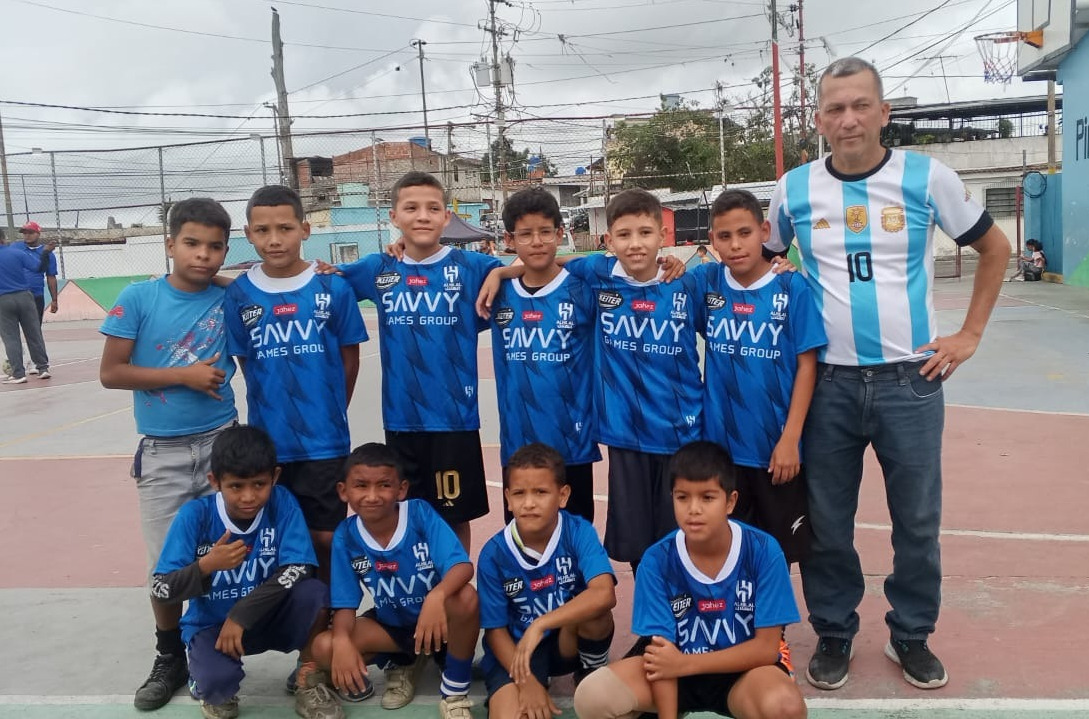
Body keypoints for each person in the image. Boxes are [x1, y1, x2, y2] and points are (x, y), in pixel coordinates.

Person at [766, 57, 1010, 690]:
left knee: (917, 521)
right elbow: (757, 265)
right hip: (828, 386)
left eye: (860, 105)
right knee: (827, 522)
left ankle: (911, 634)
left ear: (884, 112)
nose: (847, 119)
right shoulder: (792, 190)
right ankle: (835, 633)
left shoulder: (928, 178)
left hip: (912, 380)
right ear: (817, 119)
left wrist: (970, 334)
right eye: (834, 108)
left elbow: (994, 248)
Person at [99, 197, 238, 710]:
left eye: (215, 247)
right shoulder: (138, 298)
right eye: (192, 244)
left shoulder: (227, 297)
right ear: (169, 244)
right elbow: (111, 373)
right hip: (163, 450)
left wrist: (232, 282)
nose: (203, 255)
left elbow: (257, 286)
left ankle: (217, 646)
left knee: (229, 550)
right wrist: (183, 374)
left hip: (224, 440)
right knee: (168, 566)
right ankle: (169, 654)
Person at [572, 441, 806, 719]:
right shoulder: (657, 560)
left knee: (785, 707)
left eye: (707, 497)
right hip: (674, 672)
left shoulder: (763, 551)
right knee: (593, 696)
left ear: (730, 501)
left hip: (744, 673)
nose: (694, 509)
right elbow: (662, 655)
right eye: (683, 497)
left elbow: (766, 649)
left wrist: (686, 663)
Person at [336, 171, 502, 549]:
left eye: (432, 208)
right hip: (401, 419)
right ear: (394, 217)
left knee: (454, 515)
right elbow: (322, 279)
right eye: (411, 208)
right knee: (403, 513)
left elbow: (539, 267)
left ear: (446, 216)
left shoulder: (471, 268)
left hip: (454, 420)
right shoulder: (380, 268)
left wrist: (503, 271)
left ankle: (456, 588)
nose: (422, 216)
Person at [223, 184, 369, 583]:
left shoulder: (332, 287)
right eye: (263, 230)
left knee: (326, 538)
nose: (274, 240)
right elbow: (245, 360)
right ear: (249, 234)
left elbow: (349, 359)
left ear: (304, 230)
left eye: (285, 228)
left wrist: (333, 409)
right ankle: (297, 622)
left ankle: (326, 628)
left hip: (325, 439)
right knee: (282, 541)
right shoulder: (238, 295)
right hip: (270, 443)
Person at [151, 425, 342, 719]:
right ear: (215, 481)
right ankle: (203, 674)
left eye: (259, 484)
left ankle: (308, 677)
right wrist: (206, 566)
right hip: (214, 627)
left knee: (315, 594)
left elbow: (300, 567)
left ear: (274, 478)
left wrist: (241, 614)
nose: (249, 496)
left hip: (266, 617)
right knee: (218, 691)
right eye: (237, 486)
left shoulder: (281, 502)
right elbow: (161, 589)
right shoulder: (196, 515)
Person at [693, 190, 826, 564]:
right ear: (712, 241)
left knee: (775, 555)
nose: (735, 245)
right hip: (722, 451)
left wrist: (791, 439)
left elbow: (807, 365)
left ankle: (770, 624)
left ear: (764, 230)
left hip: (774, 451)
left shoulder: (791, 287)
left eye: (745, 233)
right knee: (727, 551)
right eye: (724, 237)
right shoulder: (707, 283)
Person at [310, 442, 480, 719]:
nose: (372, 496)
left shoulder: (419, 515)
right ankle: (405, 659)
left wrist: (436, 596)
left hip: (440, 622)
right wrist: (341, 640)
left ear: (401, 489)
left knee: (466, 598)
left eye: (384, 486)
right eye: (361, 486)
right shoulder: (346, 535)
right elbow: (345, 603)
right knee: (324, 648)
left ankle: (454, 691)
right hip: (393, 627)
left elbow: (462, 567)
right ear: (344, 491)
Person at [478, 443, 617, 719]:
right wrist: (526, 681)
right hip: (517, 651)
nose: (529, 503)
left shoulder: (578, 531)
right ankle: (528, 682)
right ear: (507, 498)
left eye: (541, 492)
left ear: (562, 495)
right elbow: (494, 631)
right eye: (519, 493)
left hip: (563, 642)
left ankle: (591, 669)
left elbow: (604, 595)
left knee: (595, 612)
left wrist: (541, 624)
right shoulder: (493, 553)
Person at [488, 187, 600, 521]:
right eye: (526, 234)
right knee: (522, 534)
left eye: (545, 232)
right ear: (510, 239)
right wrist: (500, 273)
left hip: (572, 442)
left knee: (576, 534)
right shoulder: (498, 292)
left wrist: (504, 269)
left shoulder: (583, 287)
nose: (537, 241)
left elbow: (604, 263)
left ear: (560, 233)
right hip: (518, 442)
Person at [0, 238, 50, 384]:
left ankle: (18, 373)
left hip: (3, 299)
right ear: (3, 239)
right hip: (25, 296)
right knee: (34, 333)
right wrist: (45, 253)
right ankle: (43, 368)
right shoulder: (17, 253)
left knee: (11, 338)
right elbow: (38, 268)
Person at [12, 221, 59, 324]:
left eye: (30, 232)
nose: (27, 235)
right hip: (16, 294)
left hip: (36, 294)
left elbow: (51, 277)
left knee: (35, 327)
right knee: (12, 326)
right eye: (25, 233)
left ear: (38, 234)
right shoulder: (15, 247)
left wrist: (54, 299)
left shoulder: (47, 253)